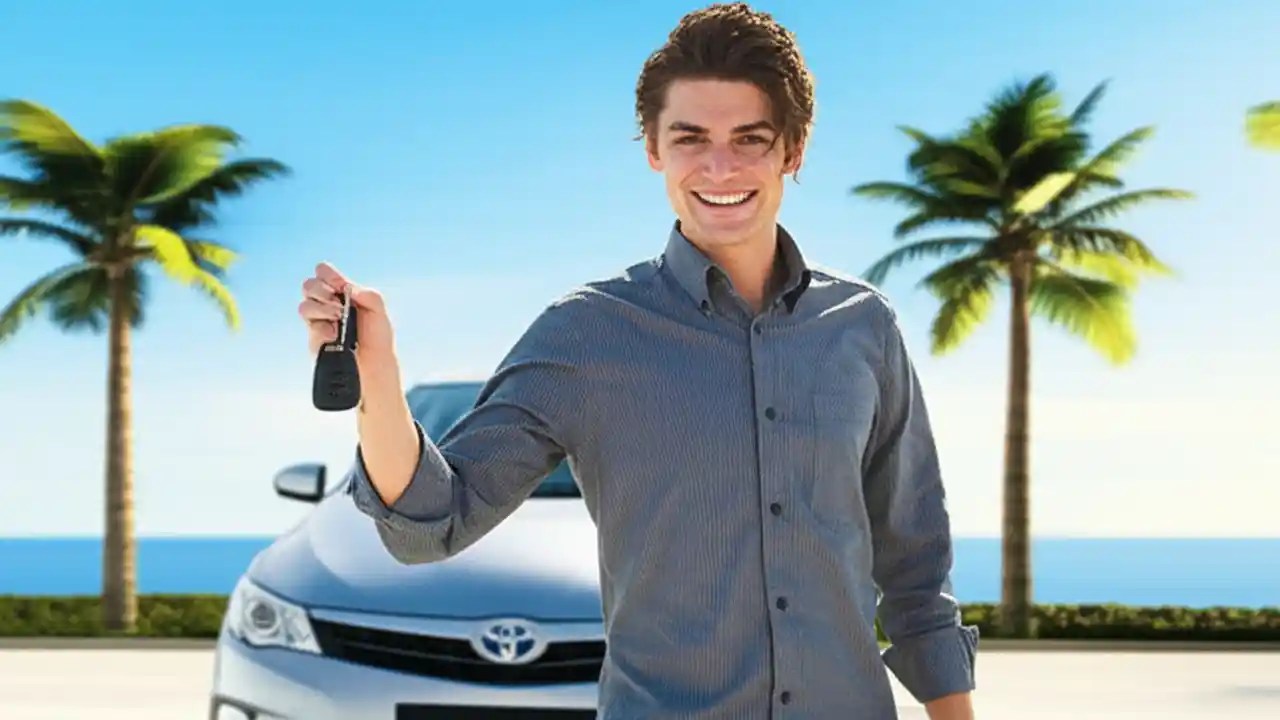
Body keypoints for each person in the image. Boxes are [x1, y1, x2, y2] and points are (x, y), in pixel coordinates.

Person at [297, 3, 978, 718]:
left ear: (793, 151)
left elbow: (916, 565)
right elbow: (431, 522)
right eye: (690, 138)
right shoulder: (586, 334)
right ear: (654, 149)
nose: (720, 167)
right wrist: (378, 381)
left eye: (750, 139)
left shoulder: (863, 327)